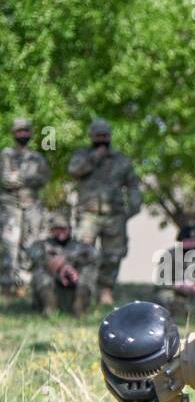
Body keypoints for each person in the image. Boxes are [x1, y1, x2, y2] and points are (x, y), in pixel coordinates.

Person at [68, 118, 142, 306]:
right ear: (91, 137)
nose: (102, 140)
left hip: (114, 215)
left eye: (105, 136)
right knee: (83, 253)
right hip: (88, 214)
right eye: (98, 136)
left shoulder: (121, 160)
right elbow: (74, 170)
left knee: (113, 254)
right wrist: (94, 158)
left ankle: (106, 290)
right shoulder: (82, 155)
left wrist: (133, 207)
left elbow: (133, 184)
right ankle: (83, 291)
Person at [0, 117, 50, 297]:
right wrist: (28, 178)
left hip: (31, 207)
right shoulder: (6, 154)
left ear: (30, 133)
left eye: (26, 131)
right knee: (9, 247)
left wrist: (18, 177)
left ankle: (23, 287)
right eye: (19, 131)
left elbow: (43, 179)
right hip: (10, 208)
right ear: (14, 133)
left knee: (29, 247)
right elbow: (5, 179)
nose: (23, 134)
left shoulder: (37, 157)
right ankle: (7, 287)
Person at [28, 213, 96, 316]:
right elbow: (32, 253)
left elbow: (95, 254)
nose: (60, 232)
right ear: (51, 230)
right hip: (52, 284)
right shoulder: (43, 244)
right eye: (56, 228)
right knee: (39, 270)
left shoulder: (79, 245)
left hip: (74, 284)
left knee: (88, 269)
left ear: (70, 229)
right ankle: (50, 307)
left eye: (63, 228)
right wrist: (60, 267)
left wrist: (66, 259)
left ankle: (80, 306)